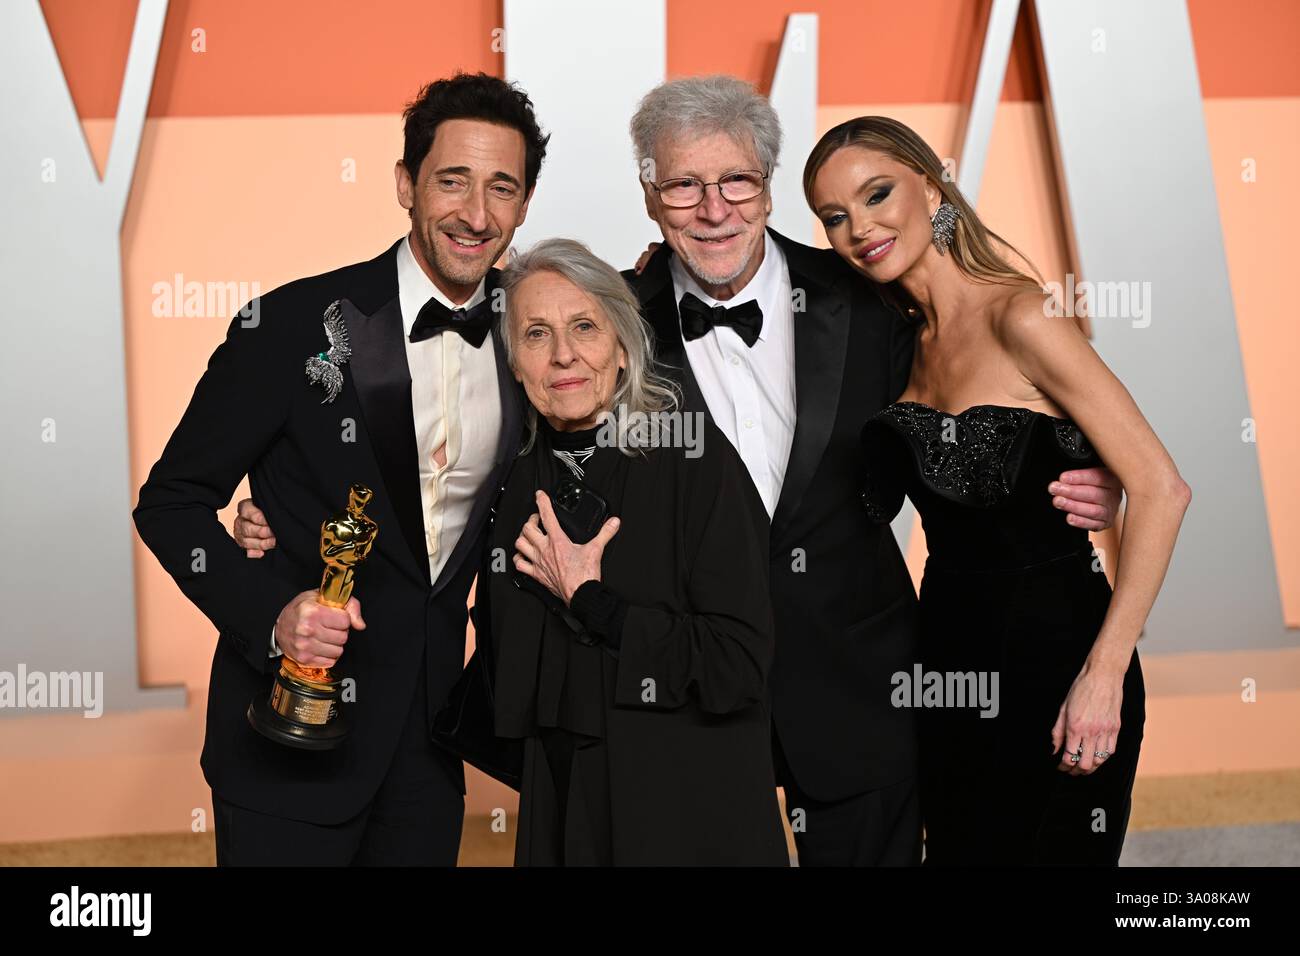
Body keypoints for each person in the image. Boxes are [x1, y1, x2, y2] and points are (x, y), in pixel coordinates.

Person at [622, 75, 1127, 865]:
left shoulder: (874, 299)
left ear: (767, 189)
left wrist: (1087, 470)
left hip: (864, 694)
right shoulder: (607, 324)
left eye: (736, 181)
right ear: (650, 196)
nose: (713, 208)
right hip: (689, 706)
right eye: (684, 185)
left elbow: (982, 408)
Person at [133, 72, 546, 865]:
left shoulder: (530, 335)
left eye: (503, 187)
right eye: (451, 180)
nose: (476, 213)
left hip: (429, 752)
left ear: (523, 205)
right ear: (405, 184)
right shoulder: (292, 324)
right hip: (288, 737)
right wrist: (270, 613)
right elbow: (171, 503)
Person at [806, 115, 1191, 864]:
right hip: (946, 663)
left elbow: (1161, 487)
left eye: (877, 194)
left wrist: (1104, 675)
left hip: (1058, 661)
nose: (860, 227)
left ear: (930, 183)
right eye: (834, 217)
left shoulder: (1021, 314)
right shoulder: (897, 337)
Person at [485, 236, 788, 865]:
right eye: (536, 334)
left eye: (585, 327)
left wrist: (596, 603)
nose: (563, 354)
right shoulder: (515, 475)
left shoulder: (693, 460)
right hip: (564, 803)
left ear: (623, 348)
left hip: (686, 807)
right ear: (515, 363)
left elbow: (738, 662)